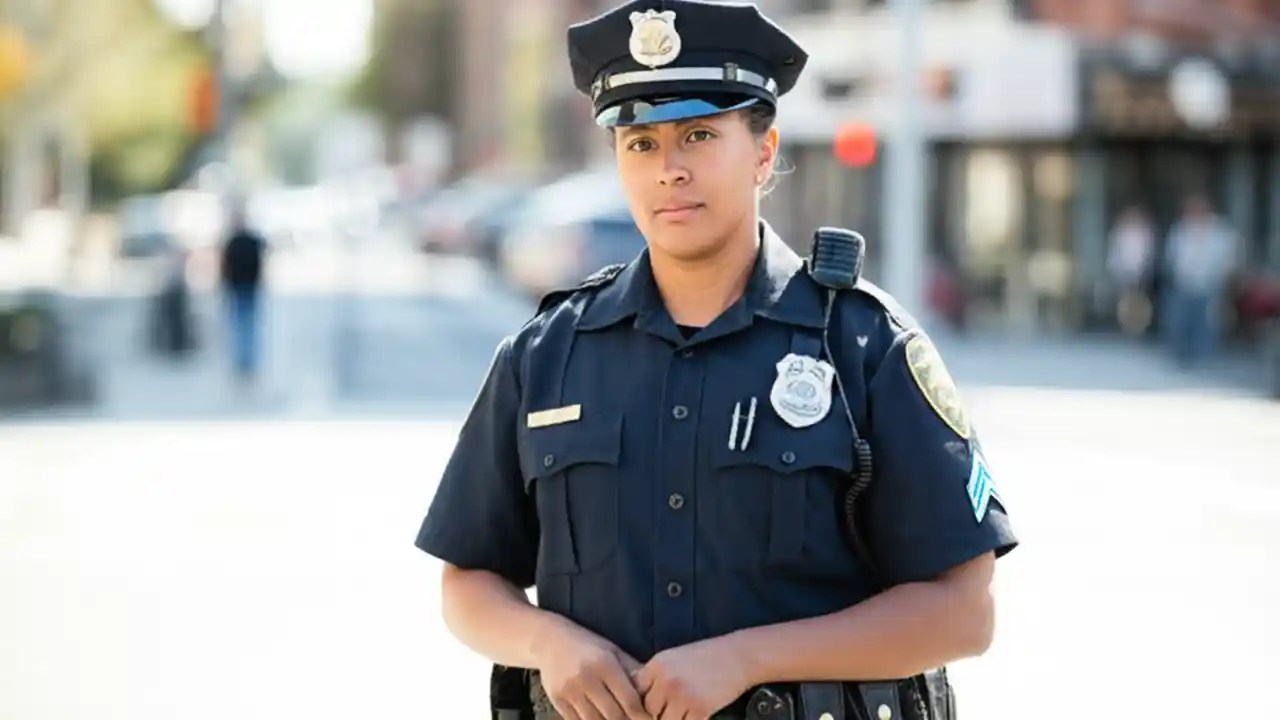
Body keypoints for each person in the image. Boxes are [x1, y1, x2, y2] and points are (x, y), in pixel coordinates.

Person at [414, 2, 1018, 719]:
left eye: (699, 135)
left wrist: (747, 658)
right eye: (640, 143)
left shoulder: (864, 347)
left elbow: (962, 612)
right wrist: (547, 642)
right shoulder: (546, 355)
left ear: (763, 154)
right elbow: (469, 582)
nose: (668, 169)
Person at [1163, 194, 1235, 366]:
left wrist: (1221, 276)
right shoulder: (1181, 229)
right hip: (1184, 283)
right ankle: (1181, 355)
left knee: (1207, 323)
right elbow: (1172, 254)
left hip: (1210, 284)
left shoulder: (1220, 231)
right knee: (1179, 320)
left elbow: (1228, 257)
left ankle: (1204, 358)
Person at [219, 208, 268, 381]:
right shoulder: (235, 242)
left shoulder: (246, 241)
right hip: (239, 288)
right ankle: (243, 361)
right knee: (242, 326)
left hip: (247, 288)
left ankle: (247, 361)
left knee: (246, 327)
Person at [1106, 204, 1155, 336]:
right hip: (1124, 274)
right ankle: (1127, 326)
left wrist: (1142, 272)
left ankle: (1140, 327)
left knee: (1141, 302)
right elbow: (1114, 255)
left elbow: (1148, 254)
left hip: (1141, 274)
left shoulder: (1145, 234)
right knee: (1125, 302)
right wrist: (1118, 271)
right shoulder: (1118, 234)